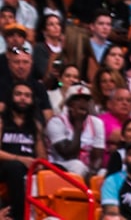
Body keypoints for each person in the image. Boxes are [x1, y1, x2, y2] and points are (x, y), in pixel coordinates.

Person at [0, 81, 46, 220]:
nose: (23, 98)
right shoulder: (2, 121)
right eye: (18, 94)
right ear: (11, 97)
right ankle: (20, 216)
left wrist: (39, 164)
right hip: (5, 166)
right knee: (15, 168)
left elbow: (42, 156)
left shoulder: (35, 125)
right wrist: (19, 159)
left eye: (27, 95)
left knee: (59, 169)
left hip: (27, 166)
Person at [45, 82, 104, 181]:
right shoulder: (57, 122)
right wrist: (78, 125)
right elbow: (68, 153)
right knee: (77, 165)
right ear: (69, 105)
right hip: (60, 165)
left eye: (85, 100)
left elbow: (98, 157)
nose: (82, 103)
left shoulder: (97, 123)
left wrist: (92, 172)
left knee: (103, 173)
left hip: (87, 169)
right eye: (77, 100)